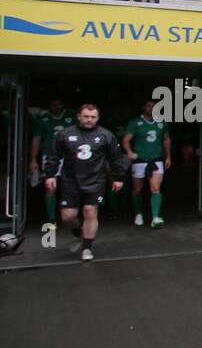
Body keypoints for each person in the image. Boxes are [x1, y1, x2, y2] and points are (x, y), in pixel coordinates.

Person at [42, 104, 128, 261]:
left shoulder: (106, 135)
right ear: (79, 116)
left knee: (90, 212)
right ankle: (80, 234)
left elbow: (115, 158)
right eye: (86, 116)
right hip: (71, 180)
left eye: (93, 117)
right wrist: (50, 175)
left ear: (98, 118)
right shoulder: (65, 134)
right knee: (68, 217)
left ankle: (87, 249)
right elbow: (54, 155)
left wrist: (118, 178)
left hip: (95, 180)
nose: (89, 120)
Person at [122, 98, 171, 228]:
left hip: (156, 159)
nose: (151, 108)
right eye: (149, 106)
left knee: (155, 188)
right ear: (143, 107)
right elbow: (126, 140)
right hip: (139, 160)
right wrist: (129, 152)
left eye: (154, 106)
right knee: (137, 189)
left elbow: (166, 139)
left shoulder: (162, 122)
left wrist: (168, 156)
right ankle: (138, 213)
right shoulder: (135, 122)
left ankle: (155, 217)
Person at [28, 98, 75, 231]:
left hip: (70, 156)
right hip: (50, 156)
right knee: (50, 187)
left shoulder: (71, 118)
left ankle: (71, 217)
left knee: (71, 186)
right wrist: (32, 159)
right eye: (53, 104)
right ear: (49, 105)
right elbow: (36, 139)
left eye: (59, 103)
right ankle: (51, 219)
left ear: (63, 104)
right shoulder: (42, 119)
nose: (56, 106)